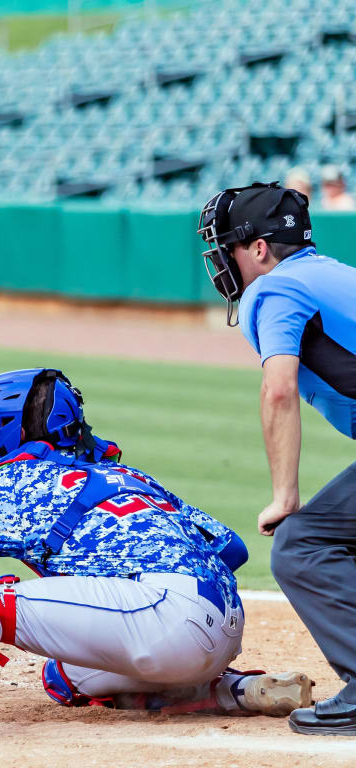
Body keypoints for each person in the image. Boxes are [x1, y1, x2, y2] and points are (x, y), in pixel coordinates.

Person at [0, 368, 313, 749]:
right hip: (219, 628)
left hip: (164, 616)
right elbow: (233, 550)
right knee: (66, 675)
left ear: (12, 428)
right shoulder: (128, 476)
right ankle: (233, 690)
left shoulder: (14, 481)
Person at [198, 182, 356, 736]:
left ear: (259, 249)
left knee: (302, 543)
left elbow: (279, 390)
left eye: (229, 247)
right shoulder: (336, 273)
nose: (222, 259)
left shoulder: (274, 290)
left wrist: (286, 496)